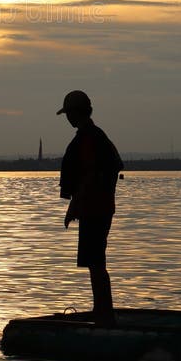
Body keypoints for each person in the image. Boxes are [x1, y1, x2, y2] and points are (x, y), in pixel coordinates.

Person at [57, 90, 123, 326]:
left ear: (75, 113)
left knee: (95, 262)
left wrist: (74, 205)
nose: (67, 118)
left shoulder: (89, 139)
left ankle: (104, 315)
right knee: (95, 261)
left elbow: (91, 175)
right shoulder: (96, 136)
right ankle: (102, 311)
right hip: (98, 208)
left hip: (94, 209)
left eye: (68, 113)